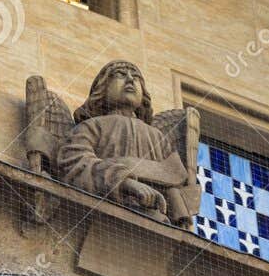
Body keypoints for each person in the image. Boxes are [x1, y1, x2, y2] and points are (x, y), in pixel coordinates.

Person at [55, 62, 192, 225]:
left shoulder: (158, 138)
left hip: (155, 219)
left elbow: (174, 178)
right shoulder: (92, 126)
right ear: (103, 88)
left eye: (136, 77)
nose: (130, 80)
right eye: (120, 74)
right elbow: (74, 162)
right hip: (102, 214)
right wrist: (124, 182)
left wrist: (179, 215)